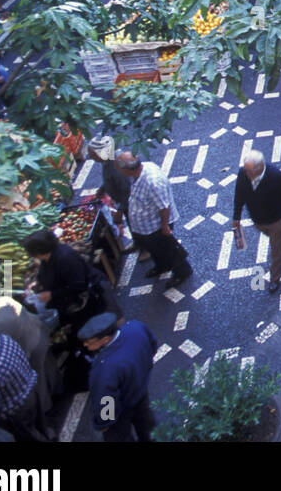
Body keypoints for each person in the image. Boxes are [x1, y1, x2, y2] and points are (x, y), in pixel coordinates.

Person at [21, 228, 119, 339]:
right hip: (75, 300)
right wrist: (39, 285)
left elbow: (79, 285)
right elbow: (46, 275)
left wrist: (52, 295)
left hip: (93, 294)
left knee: (110, 324)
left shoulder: (65, 258)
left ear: (38, 252)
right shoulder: (46, 259)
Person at [117, 151, 192, 289]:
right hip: (145, 227)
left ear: (126, 169)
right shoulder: (138, 174)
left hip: (156, 226)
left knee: (167, 250)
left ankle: (182, 272)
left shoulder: (152, 182)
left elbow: (164, 207)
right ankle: (161, 266)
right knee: (155, 250)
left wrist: (164, 227)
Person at [79, 313, 159, 442]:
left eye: (89, 342)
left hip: (122, 407)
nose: (85, 345)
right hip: (140, 391)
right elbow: (152, 346)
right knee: (147, 425)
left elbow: (105, 398)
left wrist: (105, 423)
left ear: (105, 339)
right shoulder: (135, 327)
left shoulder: (105, 368)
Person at [231, 149, 281, 294]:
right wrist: (236, 217)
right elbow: (239, 195)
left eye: (249, 171)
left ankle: (275, 278)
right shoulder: (243, 174)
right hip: (258, 220)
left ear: (259, 168)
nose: (246, 174)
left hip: (276, 221)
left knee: (275, 249)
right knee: (275, 238)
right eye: (246, 170)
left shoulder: (277, 176)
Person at [87, 135, 133, 247]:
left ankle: (145, 248)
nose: (90, 157)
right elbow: (111, 179)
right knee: (133, 225)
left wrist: (120, 212)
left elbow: (127, 191)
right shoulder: (108, 162)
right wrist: (103, 189)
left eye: (92, 154)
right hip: (124, 202)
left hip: (130, 203)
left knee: (136, 224)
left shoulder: (116, 164)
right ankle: (139, 244)